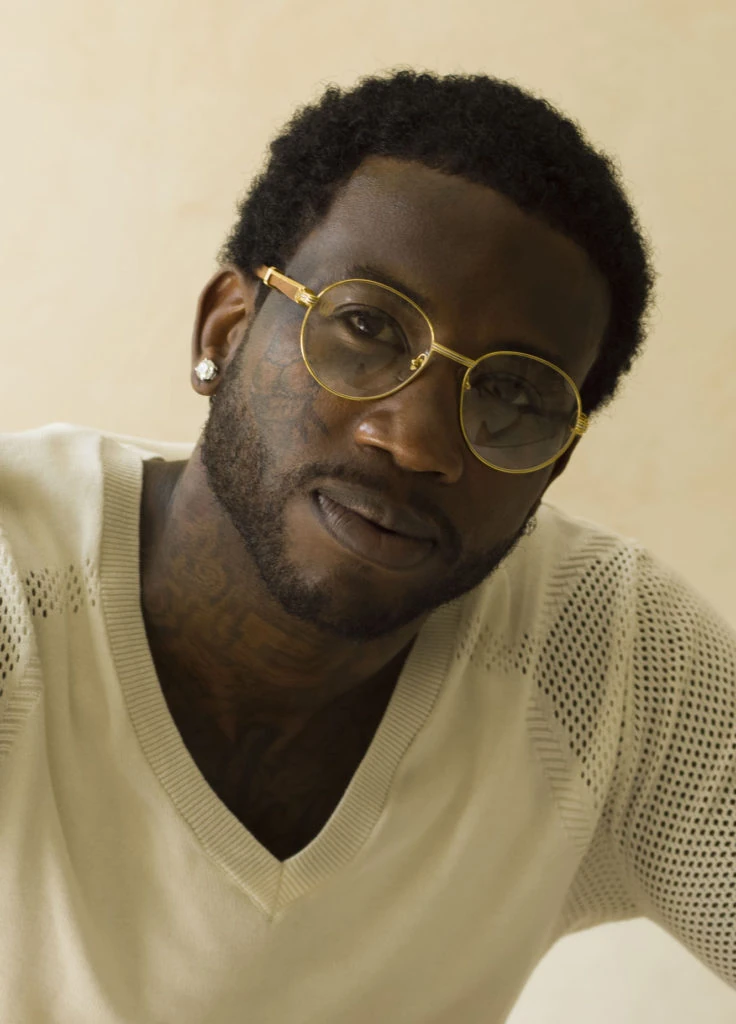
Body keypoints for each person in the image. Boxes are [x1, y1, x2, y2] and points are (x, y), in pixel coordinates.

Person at [0, 69, 733, 1023]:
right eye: (366, 327)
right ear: (227, 327)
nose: (417, 440)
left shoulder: (607, 658)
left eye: (513, 394)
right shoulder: (20, 586)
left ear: (552, 467)